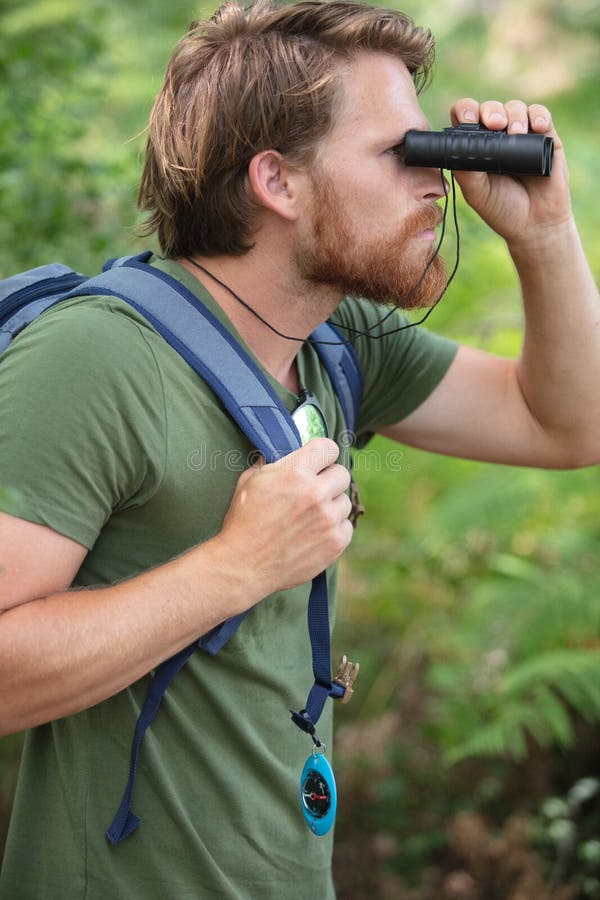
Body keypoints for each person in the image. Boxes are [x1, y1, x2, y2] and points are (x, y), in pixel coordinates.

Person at [0, 1, 598, 897]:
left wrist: (545, 233)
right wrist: (234, 568)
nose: (437, 182)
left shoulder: (334, 338)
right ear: (278, 182)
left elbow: (567, 424)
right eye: (404, 154)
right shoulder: (99, 359)